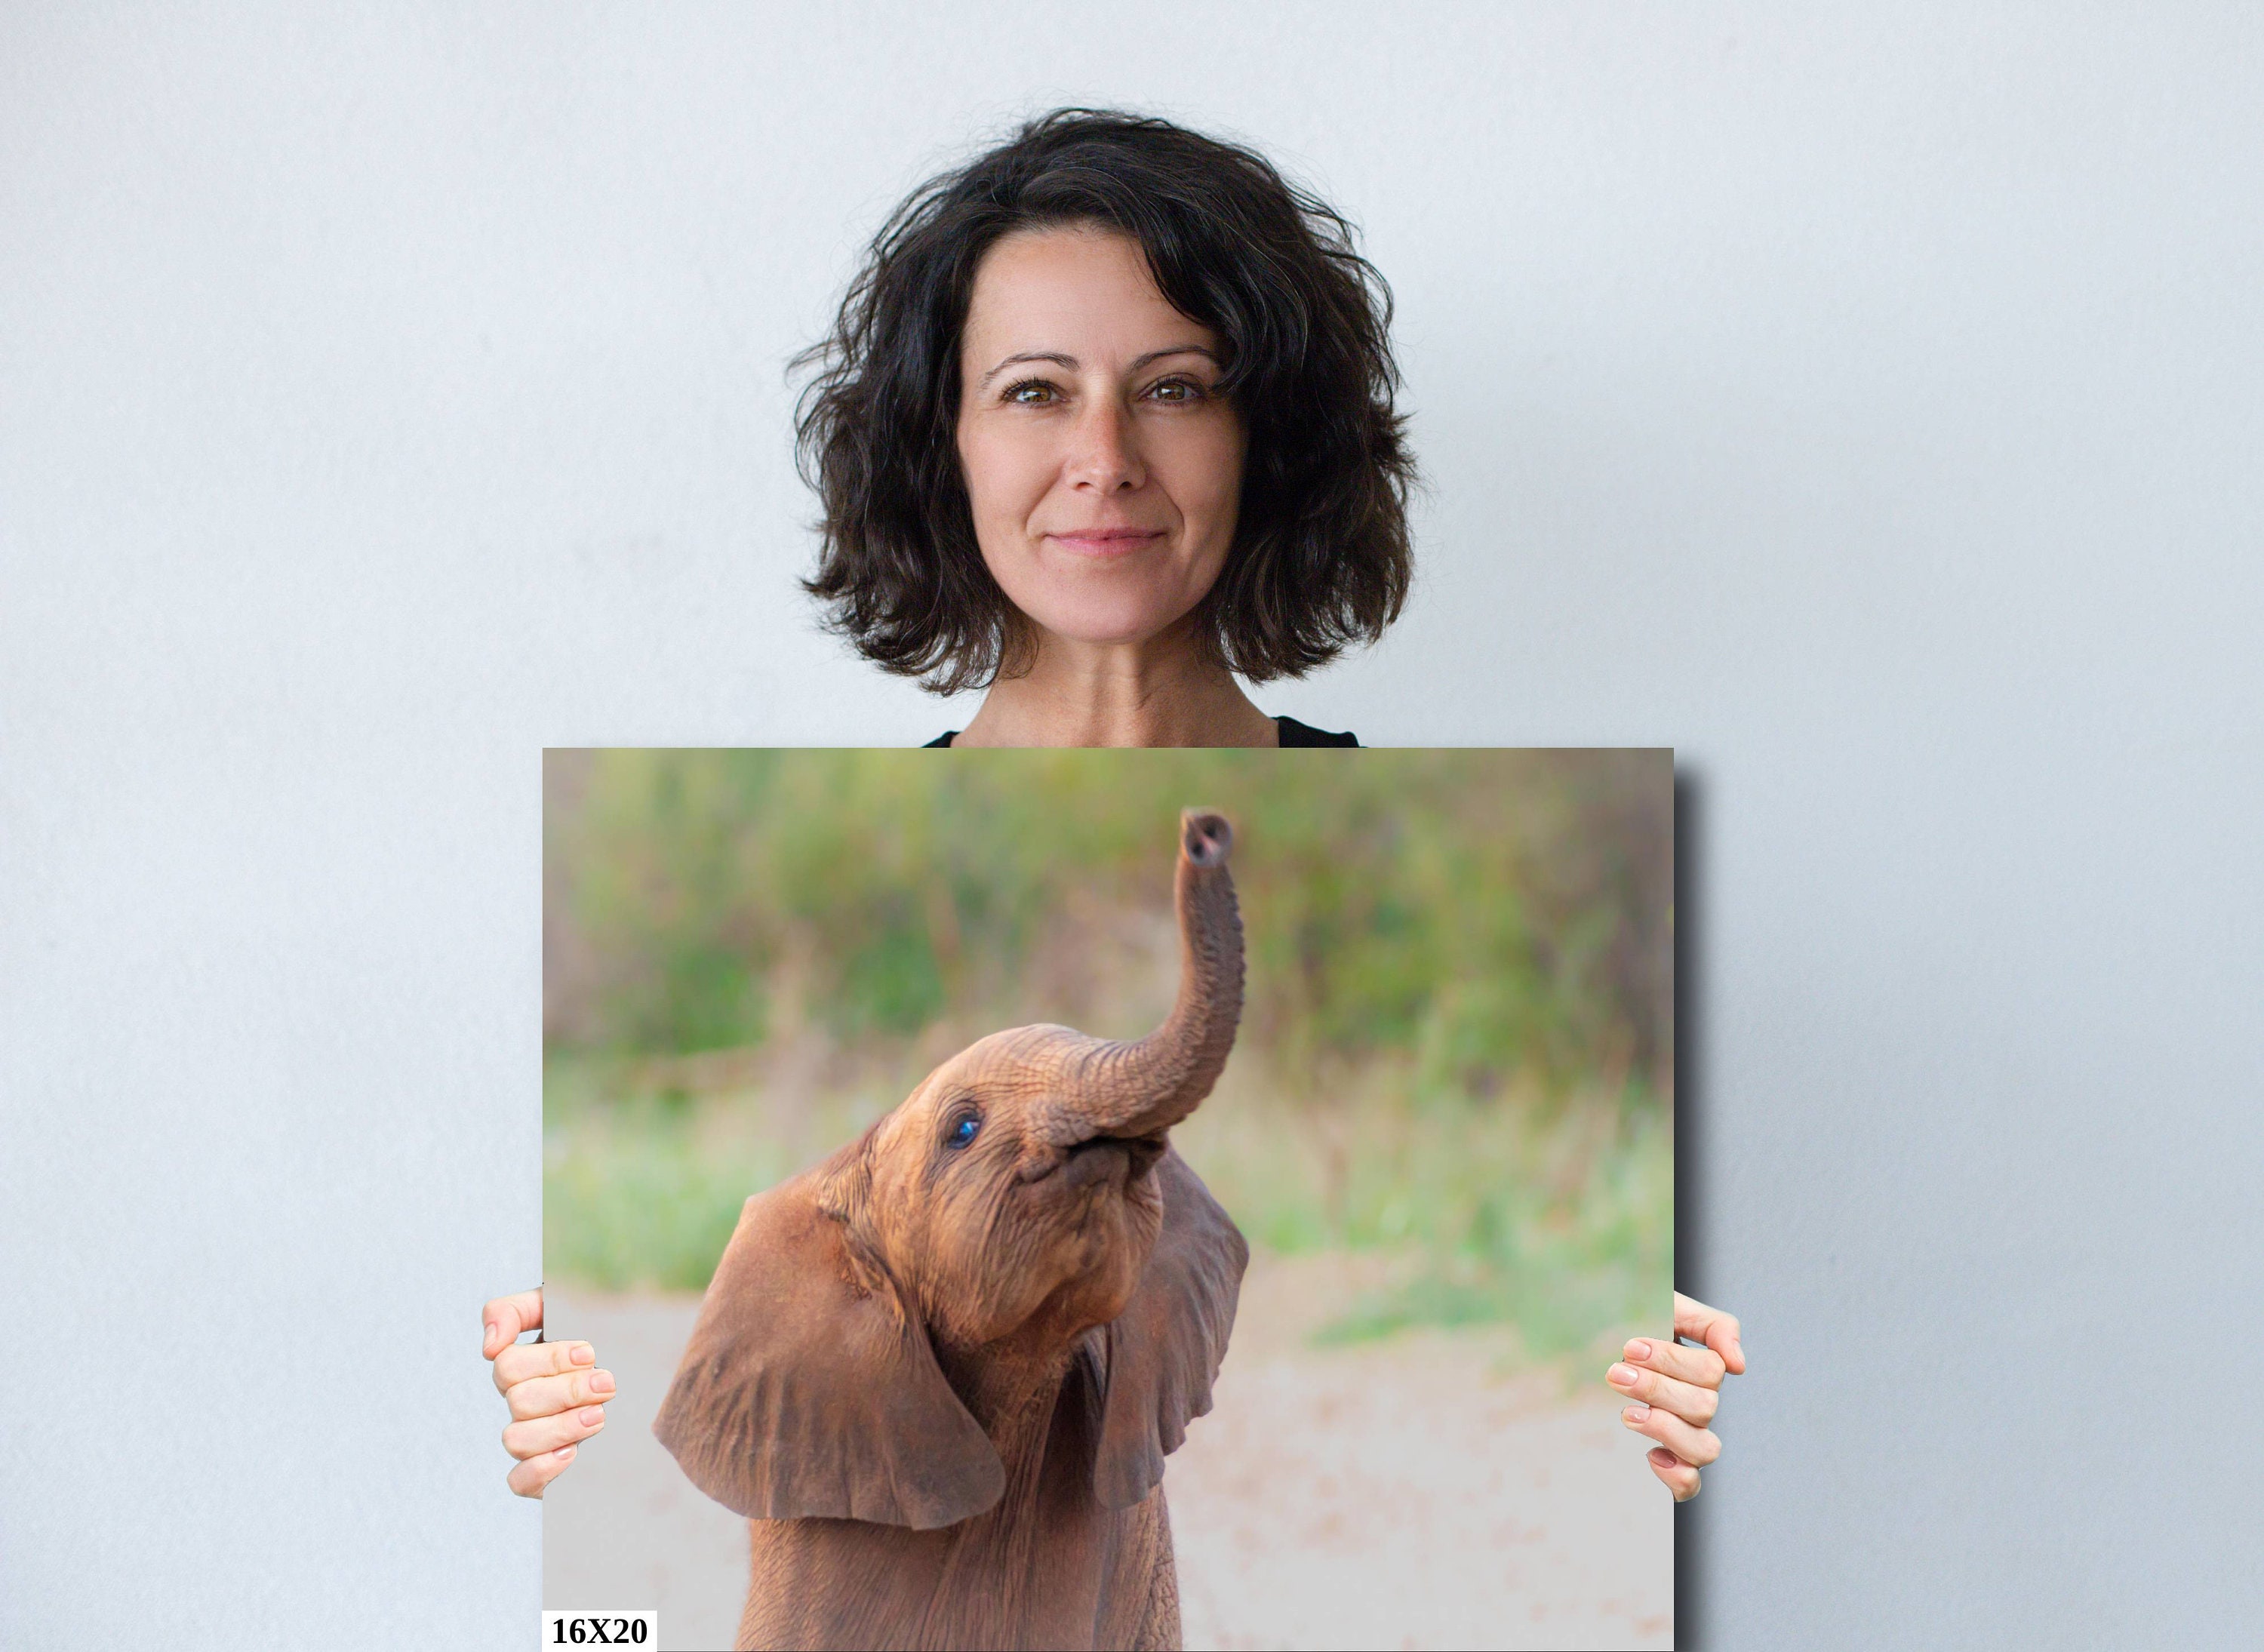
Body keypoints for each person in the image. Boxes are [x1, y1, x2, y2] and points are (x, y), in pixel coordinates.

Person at [485, 108, 1743, 1506]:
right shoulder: (799, 865)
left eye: (1176, 387)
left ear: (1265, 438)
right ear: (942, 441)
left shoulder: (1506, 867)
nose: (1106, 457)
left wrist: (1681, 1418)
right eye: (1033, 391)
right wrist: (536, 1442)